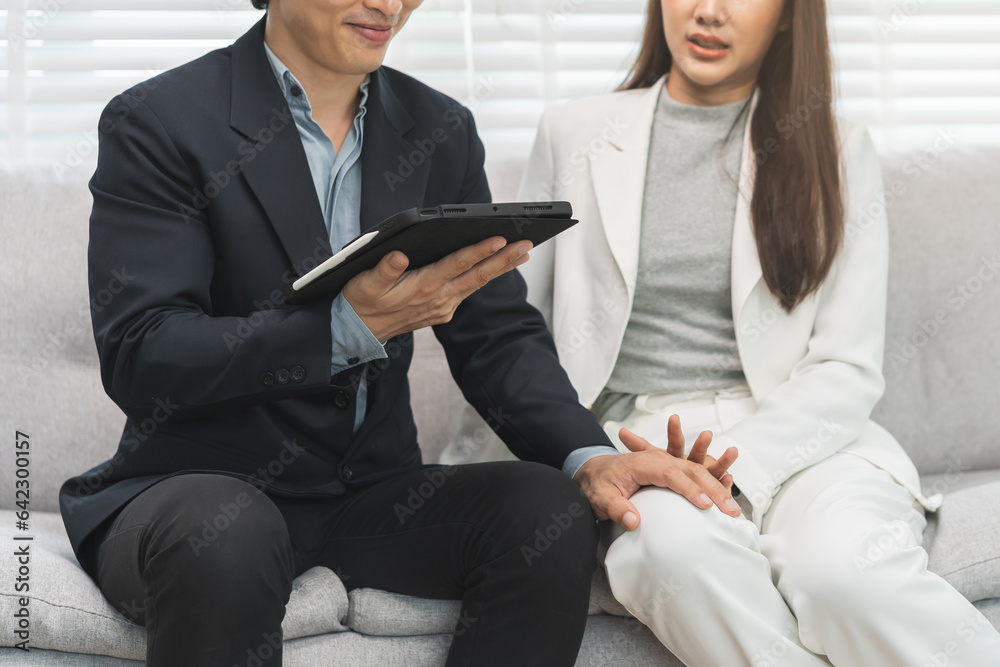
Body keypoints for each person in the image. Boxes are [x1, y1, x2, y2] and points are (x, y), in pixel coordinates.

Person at [58, 1, 740, 665]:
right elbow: (145, 352)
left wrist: (590, 457)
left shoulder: (439, 128)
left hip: (367, 493)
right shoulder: (160, 121)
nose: (388, 4)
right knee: (231, 535)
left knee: (546, 510)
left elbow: (495, 337)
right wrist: (342, 329)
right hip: (200, 491)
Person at [513, 0, 1000, 664]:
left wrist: (739, 470)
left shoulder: (835, 146)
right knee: (669, 553)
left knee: (844, 579)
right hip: (640, 439)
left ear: (789, 16)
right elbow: (518, 332)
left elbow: (847, 364)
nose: (708, 12)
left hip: (809, 438)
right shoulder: (573, 133)